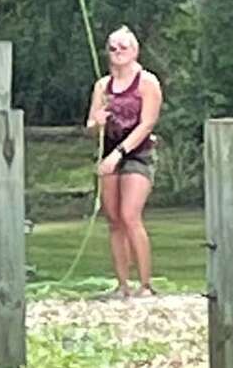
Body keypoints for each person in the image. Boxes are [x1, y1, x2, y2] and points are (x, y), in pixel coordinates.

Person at [84, 26, 162, 300]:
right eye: (113, 48)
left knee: (130, 215)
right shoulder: (102, 86)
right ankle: (122, 285)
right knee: (114, 219)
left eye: (123, 48)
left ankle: (145, 284)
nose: (117, 53)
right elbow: (91, 125)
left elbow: (148, 122)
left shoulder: (147, 82)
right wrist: (97, 122)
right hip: (108, 155)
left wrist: (119, 153)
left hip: (137, 153)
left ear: (135, 51)